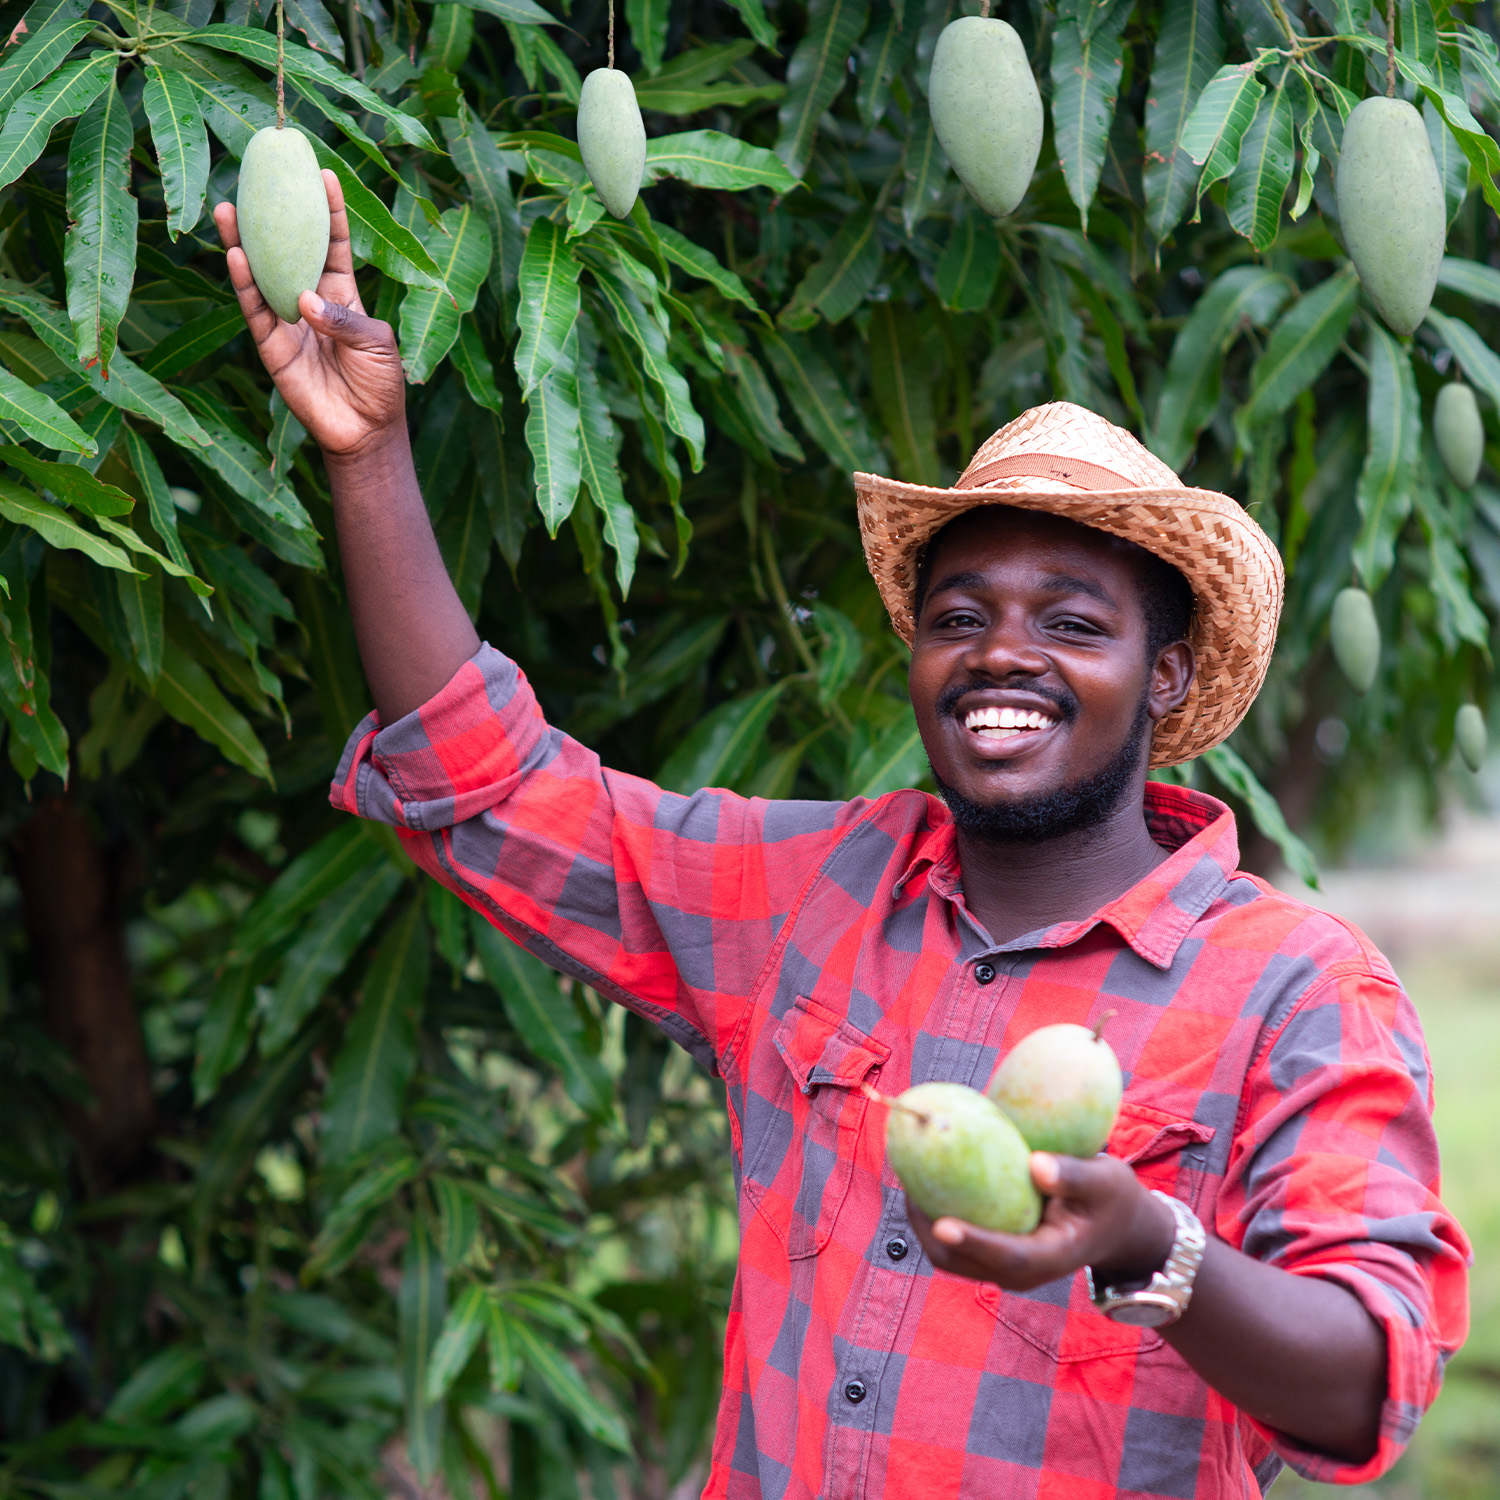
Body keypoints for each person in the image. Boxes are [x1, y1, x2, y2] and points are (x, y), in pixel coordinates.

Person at [216, 178, 1469, 1500]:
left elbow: (1369, 1379)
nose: (1002, 654)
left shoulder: (1297, 986)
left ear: (1166, 677)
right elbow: (491, 788)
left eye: (1074, 622)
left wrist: (1149, 1242)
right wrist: (368, 456)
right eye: (961, 613)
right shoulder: (805, 896)